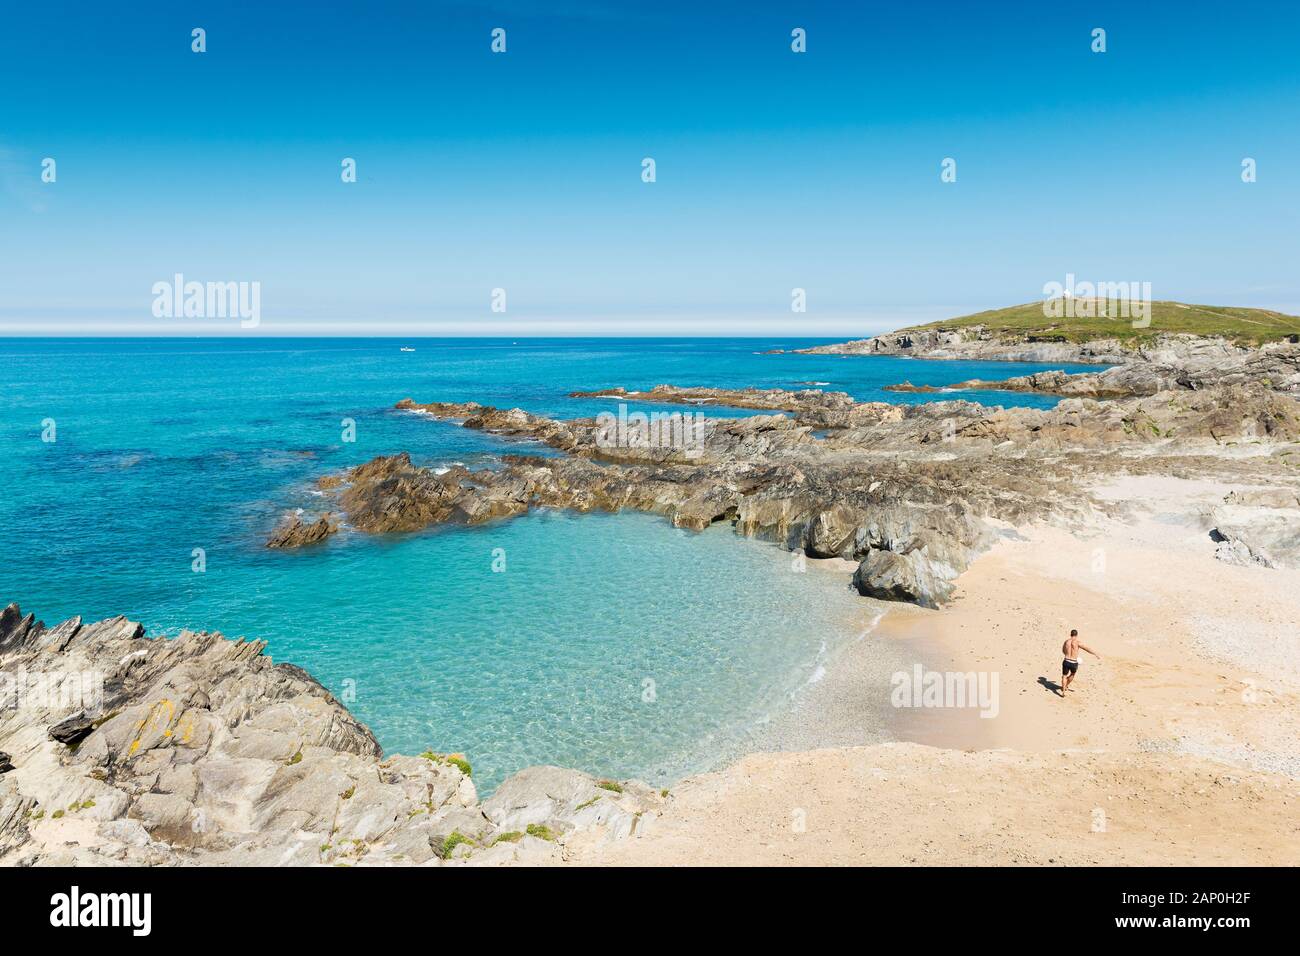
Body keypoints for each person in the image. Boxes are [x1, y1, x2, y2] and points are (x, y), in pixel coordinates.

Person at [1060, 628, 1100, 696]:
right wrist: (1095, 653)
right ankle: (1066, 685)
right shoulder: (1078, 642)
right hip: (1073, 662)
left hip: (1066, 660)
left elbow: (1063, 650)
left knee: (1064, 676)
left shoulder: (1066, 641)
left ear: (1070, 634)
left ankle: (1063, 691)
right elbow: (1087, 649)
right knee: (1072, 674)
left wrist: (1067, 654)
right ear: (1076, 635)